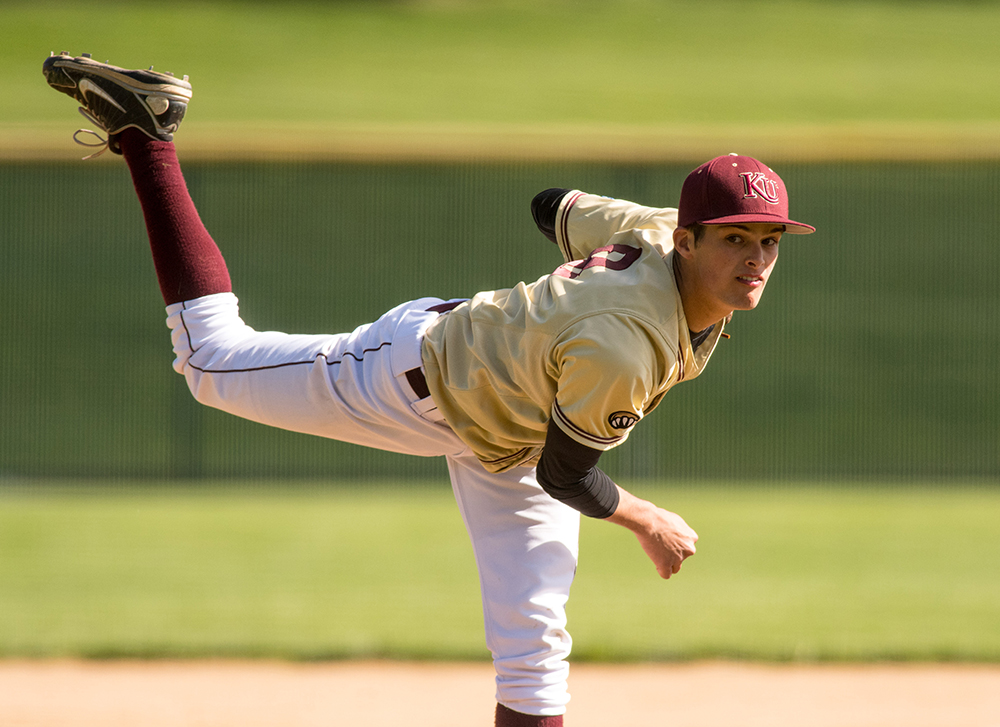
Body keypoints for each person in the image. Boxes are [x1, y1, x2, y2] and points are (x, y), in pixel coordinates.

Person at [42, 52, 815, 726]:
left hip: (513, 419)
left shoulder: (651, 230)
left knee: (535, 643)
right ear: (687, 238)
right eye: (734, 238)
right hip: (421, 379)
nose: (755, 259)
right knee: (211, 362)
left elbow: (554, 207)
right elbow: (566, 473)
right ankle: (149, 136)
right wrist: (646, 518)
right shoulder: (624, 343)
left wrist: (557, 306)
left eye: (768, 241)